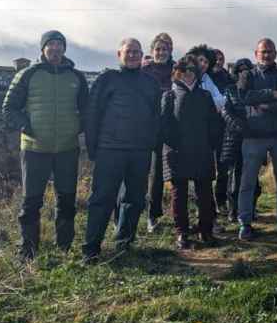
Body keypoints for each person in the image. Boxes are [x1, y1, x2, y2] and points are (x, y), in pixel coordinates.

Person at [2, 30, 89, 259]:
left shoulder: (76, 77)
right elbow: (9, 108)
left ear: (64, 49)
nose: (55, 49)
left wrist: (77, 127)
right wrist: (27, 127)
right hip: (34, 149)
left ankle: (64, 247)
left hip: (67, 148)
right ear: (43, 49)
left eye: (59, 45)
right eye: (50, 44)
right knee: (31, 201)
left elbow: (87, 110)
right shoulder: (28, 74)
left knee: (67, 199)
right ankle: (28, 250)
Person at [82, 38, 161, 262]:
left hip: (139, 151)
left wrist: (152, 142)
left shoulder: (150, 82)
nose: (133, 55)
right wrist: (92, 148)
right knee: (102, 199)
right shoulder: (106, 79)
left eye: (137, 52)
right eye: (129, 52)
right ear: (119, 54)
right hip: (110, 149)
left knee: (134, 199)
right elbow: (92, 114)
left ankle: (124, 243)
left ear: (142, 54)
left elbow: (157, 116)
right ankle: (91, 249)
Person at [236, 38, 277, 241]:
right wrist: (271, 94)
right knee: (247, 182)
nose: (267, 55)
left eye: (270, 51)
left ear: (275, 54)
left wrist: (266, 106)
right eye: (263, 52)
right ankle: (245, 223)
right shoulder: (247, 75)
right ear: (256, 54)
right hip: (254, 136)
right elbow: (243, 97)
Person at [161, 55, 224, 249]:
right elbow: (164, 125)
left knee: (204, 193)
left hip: (202, 150)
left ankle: (205, 231)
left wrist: (210, 144)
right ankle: (182, 233)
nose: (187, 74)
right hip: (177, 152)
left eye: (191, 70)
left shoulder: (205, 96)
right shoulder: (169, 96)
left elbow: (214, 124)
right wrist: (174, 145)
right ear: (176, 73)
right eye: (183, 70)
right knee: (179, 194)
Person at [188, 44, 230, 227]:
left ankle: (207, 219)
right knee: (189, 182)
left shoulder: (206, 79)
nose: (203, 64)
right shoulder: (185, 76)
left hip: (205, 135)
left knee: (204, 180)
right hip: (188, 135)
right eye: (200, 60)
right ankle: (188, 223)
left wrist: (208, 104)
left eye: (206, 61)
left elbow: (220, 101)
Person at [141, 33, 174, 232]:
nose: (161, 52)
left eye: (165, 49)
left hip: (167, 128)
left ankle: (153, 215)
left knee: (158, 174)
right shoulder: (144, 70)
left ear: (170, 51)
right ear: (152, 51)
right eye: (158, 49)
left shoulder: (176, 69)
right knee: (137, 172)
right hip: (144, 127)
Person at [220, 58, 254, 222]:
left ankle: (250, 209)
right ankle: (233, 210)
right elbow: (225, 112)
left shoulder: (254, 89)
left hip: (253, 137)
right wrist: (239, 126)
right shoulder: (230, 89)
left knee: (251, 175)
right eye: (240, 70)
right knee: (234, 176)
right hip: (234, 138)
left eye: (246, 69)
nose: (243, 73)